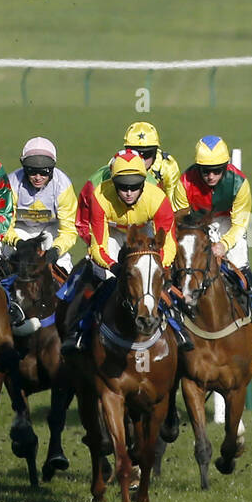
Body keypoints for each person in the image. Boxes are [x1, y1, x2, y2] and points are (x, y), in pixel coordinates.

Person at [58, 150, 193, 354]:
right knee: (100, 275)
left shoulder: (157, 198)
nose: (128, 192)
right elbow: (98, 246)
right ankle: (80, 329)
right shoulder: (100, 196)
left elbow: (169, 243)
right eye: (122, 187)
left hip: (143, 232)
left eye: (134, 186)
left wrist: (159, 266)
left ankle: (178, 327)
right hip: (112, 233)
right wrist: (114, 266)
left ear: (143, 183)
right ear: (113, 183)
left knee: (153, 276)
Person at [172, 135, 252, 338]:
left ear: (225, 166)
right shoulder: (185, 182)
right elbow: (178, 218)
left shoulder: (239, 183)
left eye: (217, 170)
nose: (210, 176)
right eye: (205, 170)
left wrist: (224, 244)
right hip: (196, 223)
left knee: (240, 260)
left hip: (227, 221)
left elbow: (240, 223)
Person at [2, 137, 78, 274]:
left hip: (51, 230)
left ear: (52, 168)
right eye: (32, 171)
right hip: (20, 229)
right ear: (24, 168)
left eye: (44, 172)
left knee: (63, 263)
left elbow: (69, 230)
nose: (38, 177)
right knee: (2, 255)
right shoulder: (12, 184)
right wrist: (17, 242)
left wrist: (57, 249)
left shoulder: (63, 186)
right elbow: (4, 222)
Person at [90, 121, 182, 205]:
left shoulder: (168, 166)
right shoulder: (117, 163)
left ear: (155, 152)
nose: (141, 159)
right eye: (136, 153)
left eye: (147, 154)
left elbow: (172, 203)